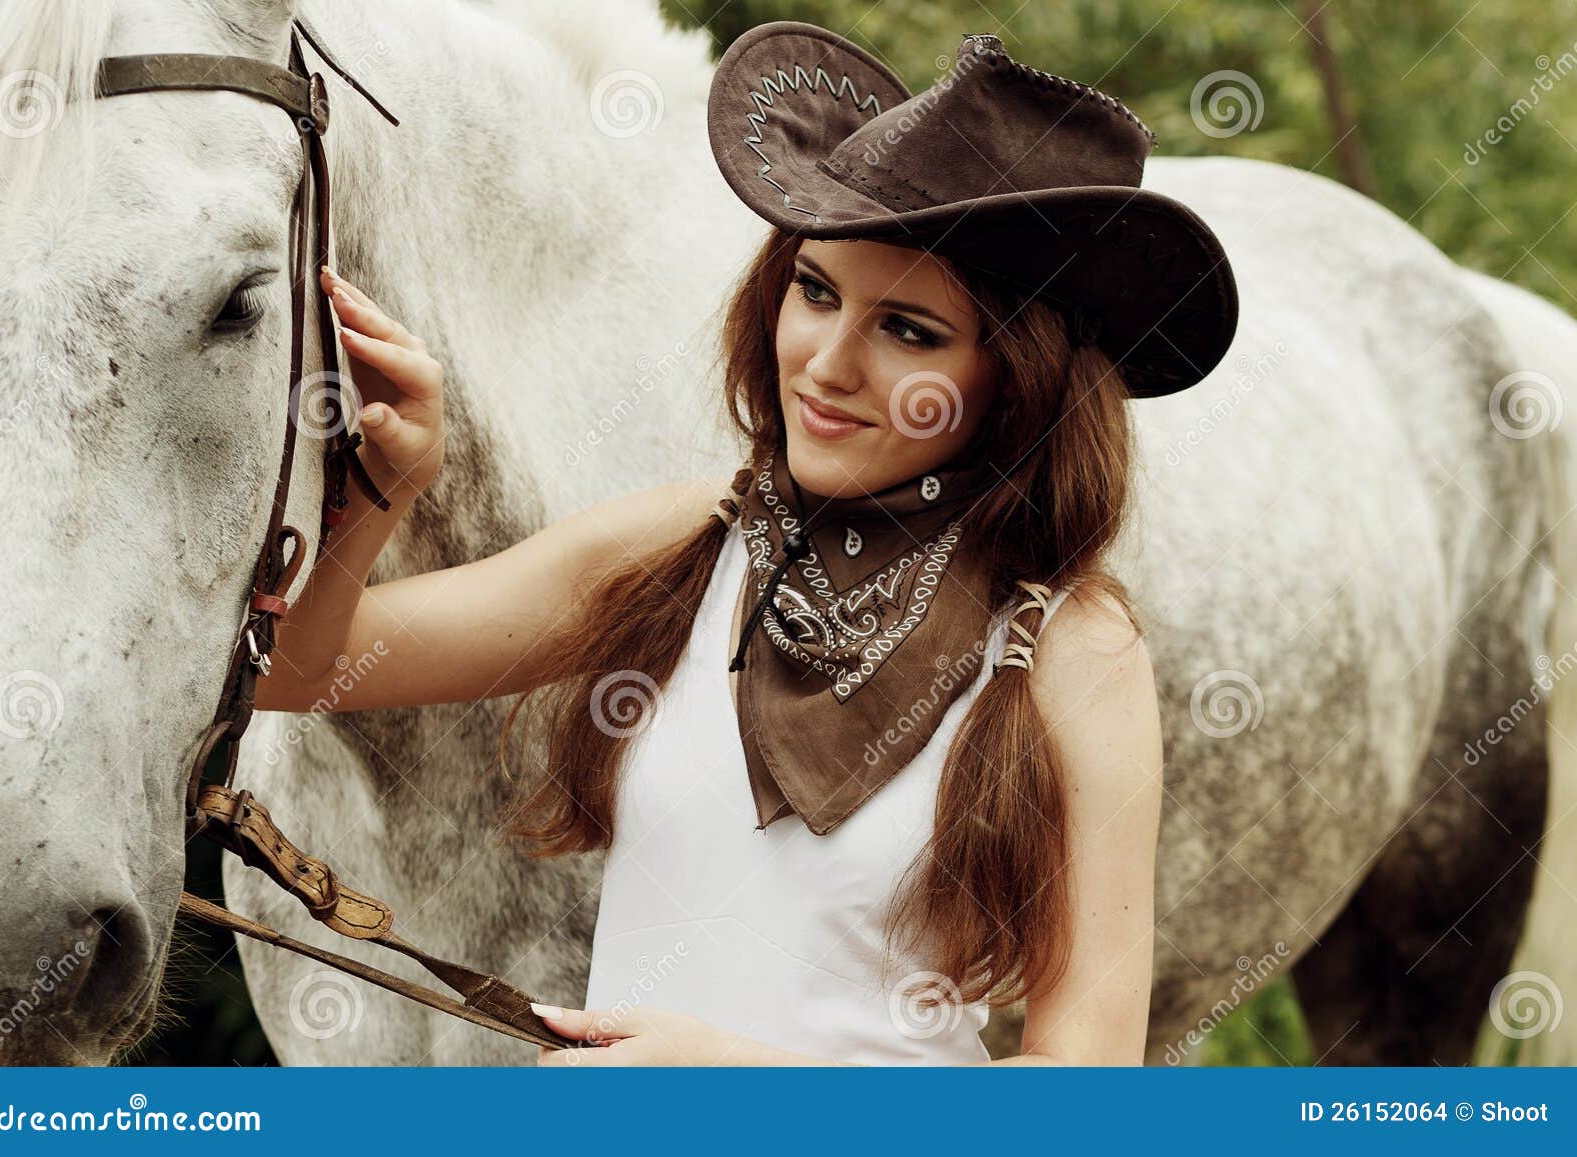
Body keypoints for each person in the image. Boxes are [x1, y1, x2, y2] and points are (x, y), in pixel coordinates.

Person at [259, 21, 1238, 1066]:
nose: (826, 362)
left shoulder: (1073, 648)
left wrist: (737, 1073)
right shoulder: (685, 544)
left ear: (1020, 379)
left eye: (908, 330)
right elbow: (292, 672)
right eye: (815, 291)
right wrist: (382, 486)